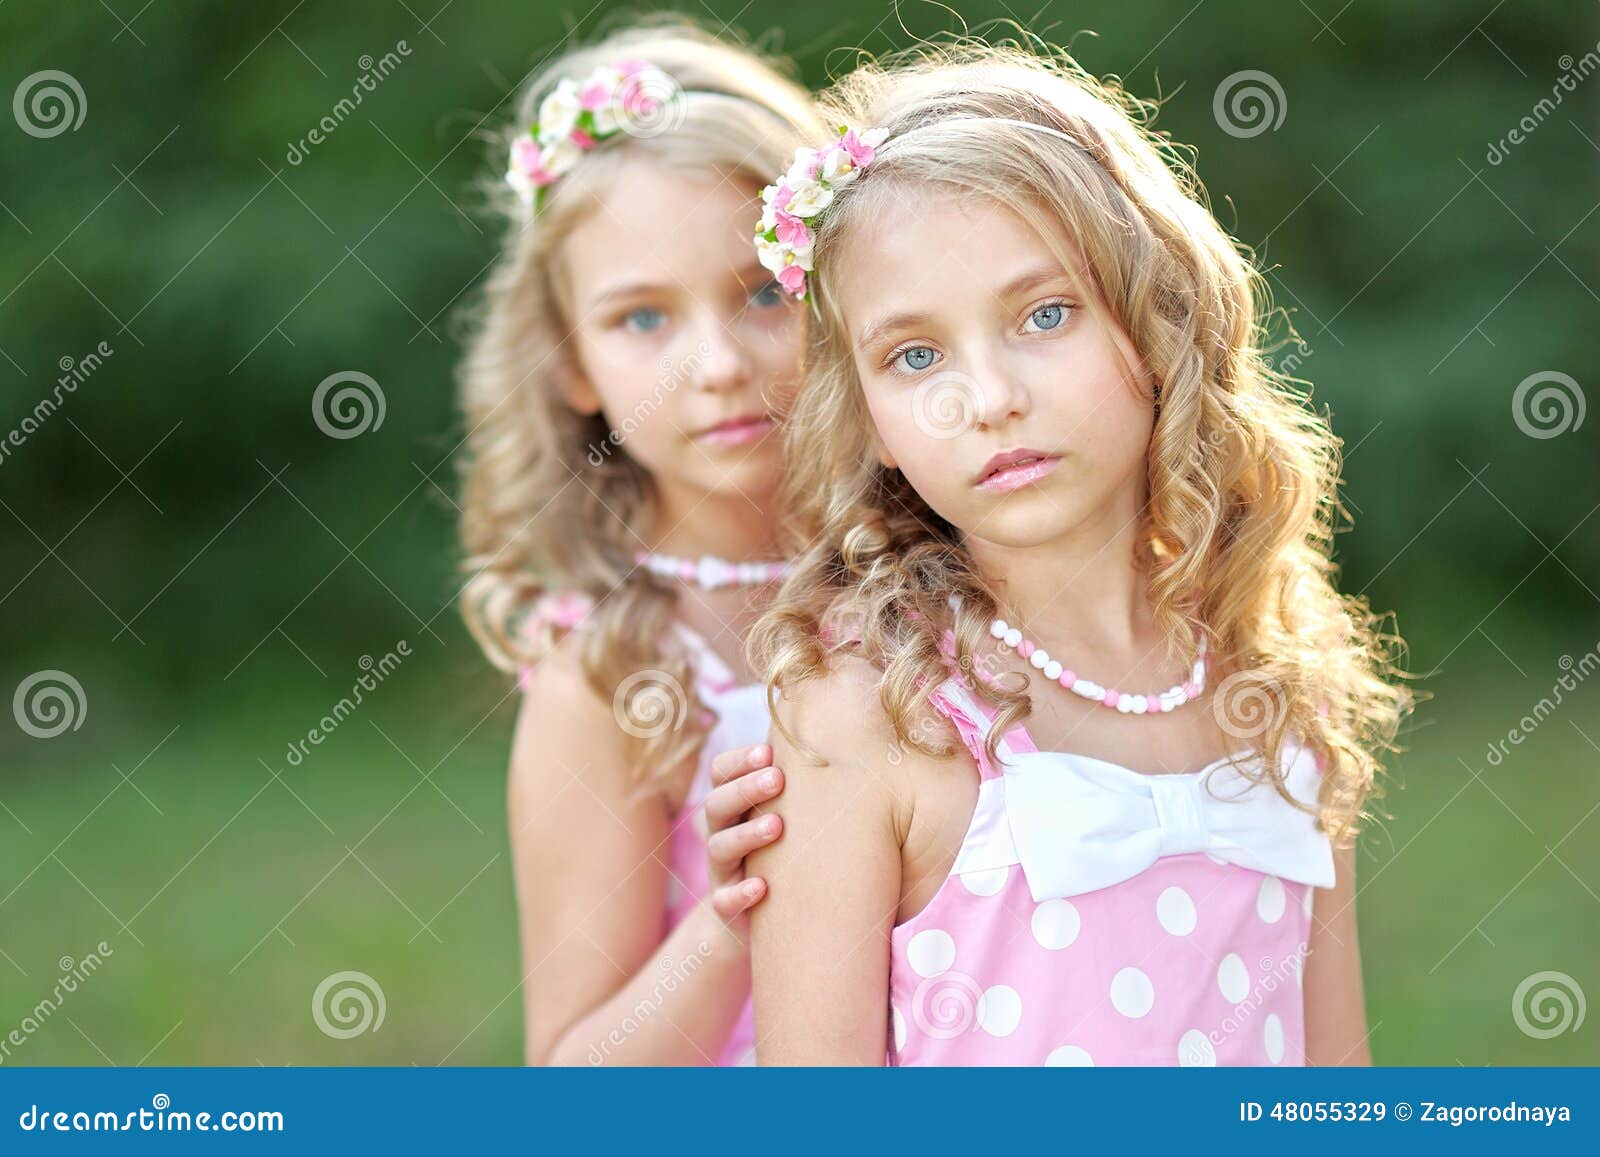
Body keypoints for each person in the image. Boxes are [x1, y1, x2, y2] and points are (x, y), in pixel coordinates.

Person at [744, 39, 1417, 1066]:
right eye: (915, 354)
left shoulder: (1273, 672)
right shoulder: (867, 711)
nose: (990, 395)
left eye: (1043, 314)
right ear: (869, 415)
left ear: (1155, 322)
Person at [454, 17, 822, 1065]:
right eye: (643, 319)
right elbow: (572, 1074)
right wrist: (730, 920)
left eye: (762, 291)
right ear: (574, 366)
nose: (713, 363)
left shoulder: (949, 572)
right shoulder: (610, 671)